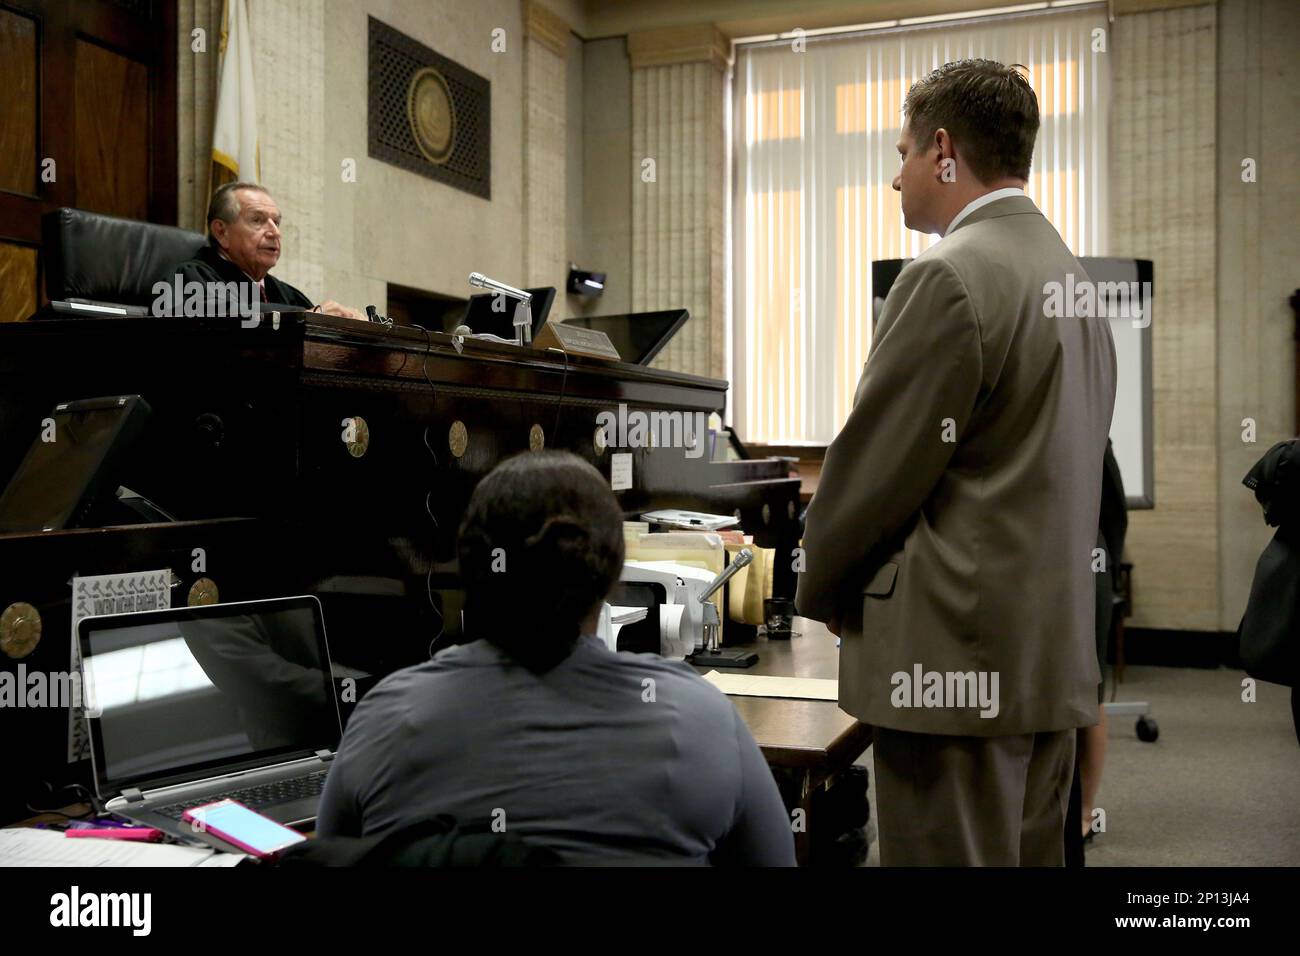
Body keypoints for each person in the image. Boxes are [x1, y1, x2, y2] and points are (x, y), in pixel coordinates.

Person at [795, 59, 1117, 866]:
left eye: (902, 151)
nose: (893, 174)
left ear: (943, 149)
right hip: (1048, 664)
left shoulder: (947, 276)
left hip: (952, 668)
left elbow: (876, 471)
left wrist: (821, 584)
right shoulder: (1075, 286)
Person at [317, 451, 796, 866]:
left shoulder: (383, 720)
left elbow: (331, 855)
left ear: (466, 568)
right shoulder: (701, 716)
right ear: (613, 577)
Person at [172, 182, 363, 319]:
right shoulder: (189, 278)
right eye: (257, 220)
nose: (275, 232)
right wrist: (307, 316)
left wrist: (349, 326)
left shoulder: (284, 293)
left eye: (276, 222)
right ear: (222, 232)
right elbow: (227, 320)